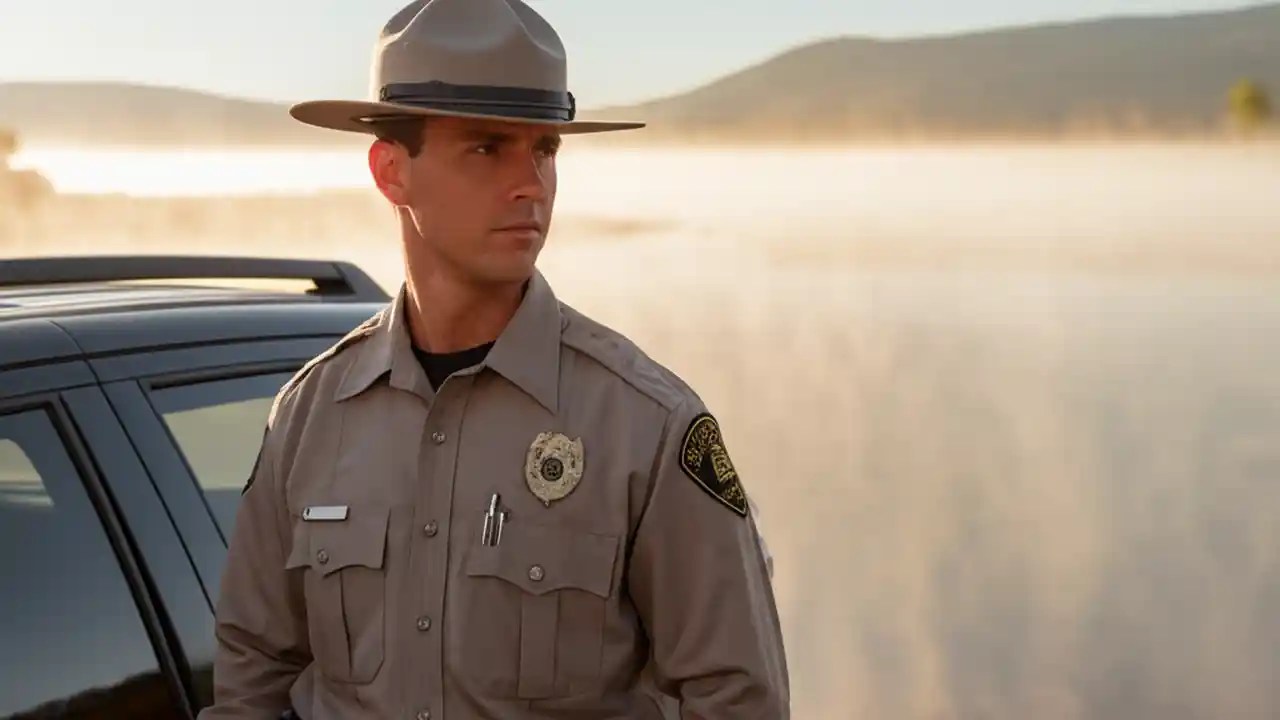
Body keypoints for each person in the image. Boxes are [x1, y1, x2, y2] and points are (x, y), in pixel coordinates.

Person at [198, 0, 789, 718]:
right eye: (487, 147)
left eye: (544, 150)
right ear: (391, 172)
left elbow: (737, 698)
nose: (531, 184)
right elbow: (253, 677)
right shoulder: (311, 415)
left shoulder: (647, 426)